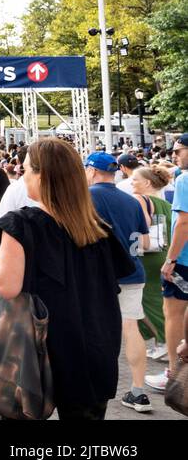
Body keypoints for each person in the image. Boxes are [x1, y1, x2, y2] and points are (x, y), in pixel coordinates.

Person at [0, 139, 136, 419]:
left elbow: (6, 286)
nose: (22, 174)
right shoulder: (96, 227)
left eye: (26, 168)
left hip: (36, 349)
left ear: (43, 175)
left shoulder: (21, 224)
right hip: (94, 343)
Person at [84, 151, 152, 412]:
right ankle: (138, 390)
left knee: (95, 332)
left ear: (91, 171)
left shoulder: (88, 197)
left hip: (101, 276)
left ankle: (94, 385)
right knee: (130, 328)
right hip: (133, 272)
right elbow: (143, 242)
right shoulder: (132, 200)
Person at [148, 133, 188, 393]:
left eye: (179, 150)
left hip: (184, 259)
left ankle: (173, 372)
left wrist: (170, 259)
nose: (174, 155)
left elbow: (184, 222)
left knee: (172, 313)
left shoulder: (184, 180)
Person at [131, 165, 174, 364]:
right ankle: (163, 342)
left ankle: (164, 342)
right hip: (163, 253)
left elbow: (142, 223)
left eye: (135, 180)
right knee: (157, 300)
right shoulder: (164, 202)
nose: (132, 183)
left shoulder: (141, 199)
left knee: (147, 302)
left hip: (147, 255)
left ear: (147, 183)